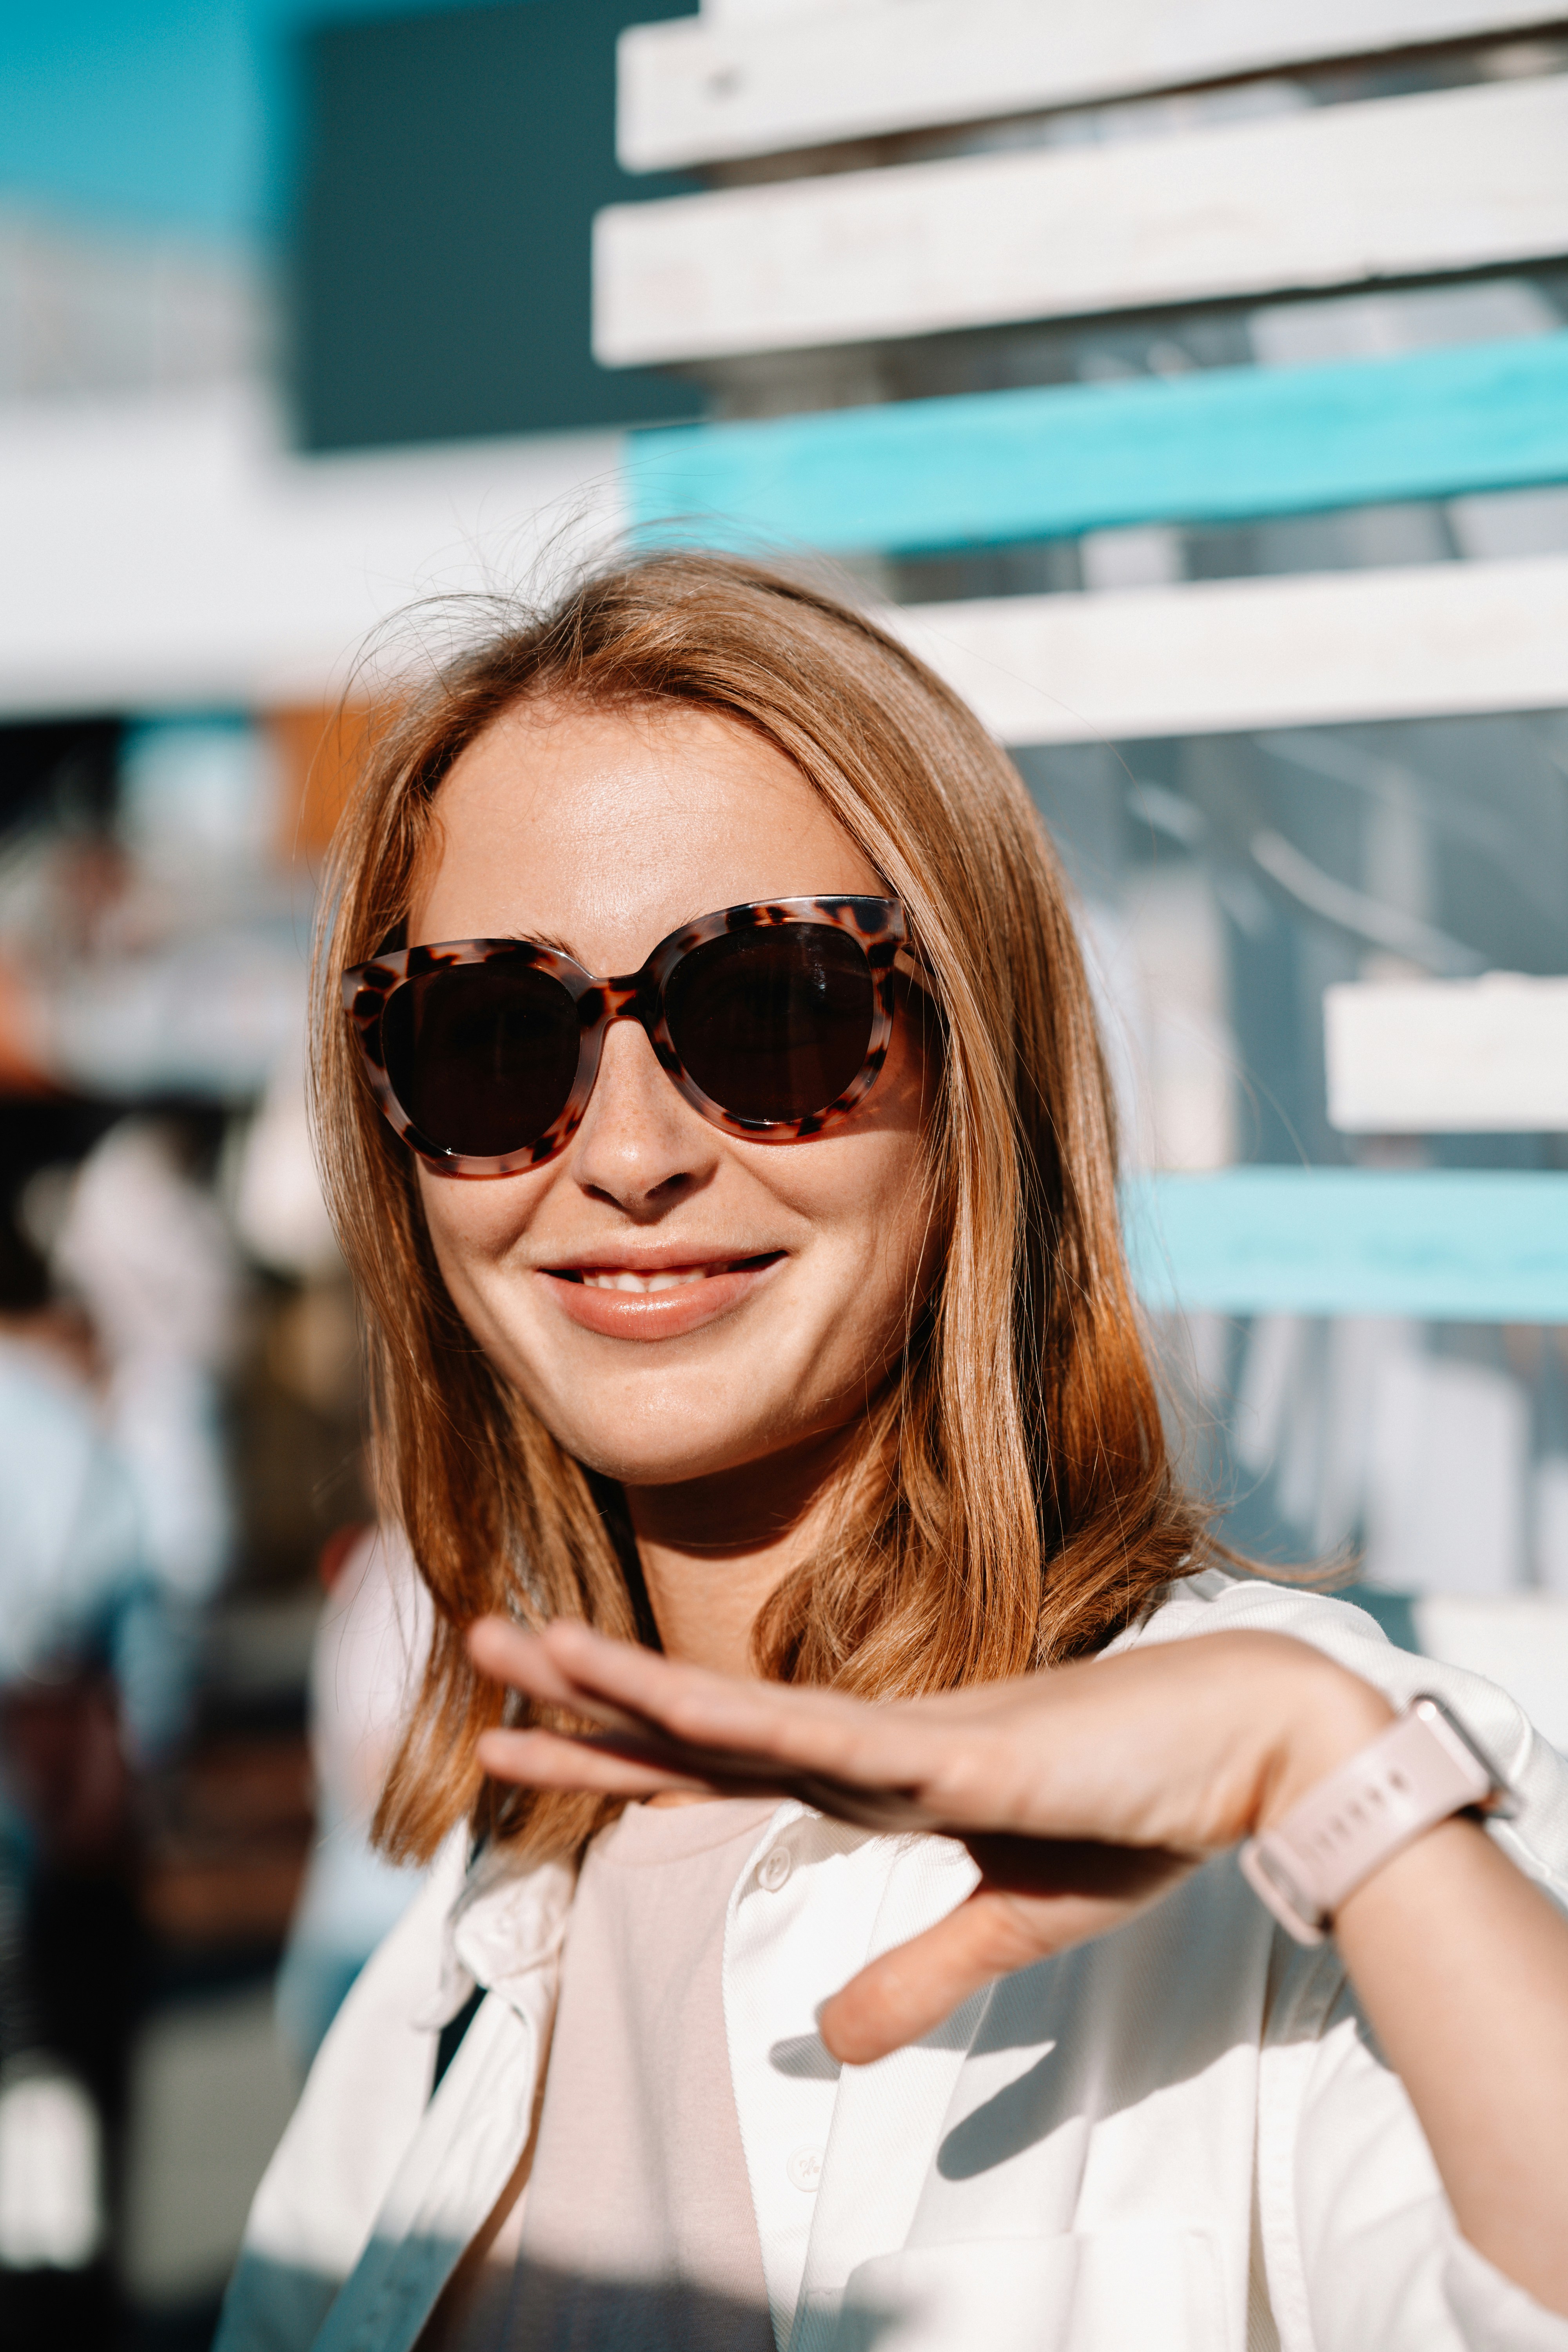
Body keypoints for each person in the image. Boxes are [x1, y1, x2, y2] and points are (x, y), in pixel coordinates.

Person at [217, 554, 1568, 2352]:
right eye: (491, 1038)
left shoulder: (1304, 1843)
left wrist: (1323, 1765)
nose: (626, 1155)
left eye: (767, 1011)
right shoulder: (437, 1992)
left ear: (973, 1081)